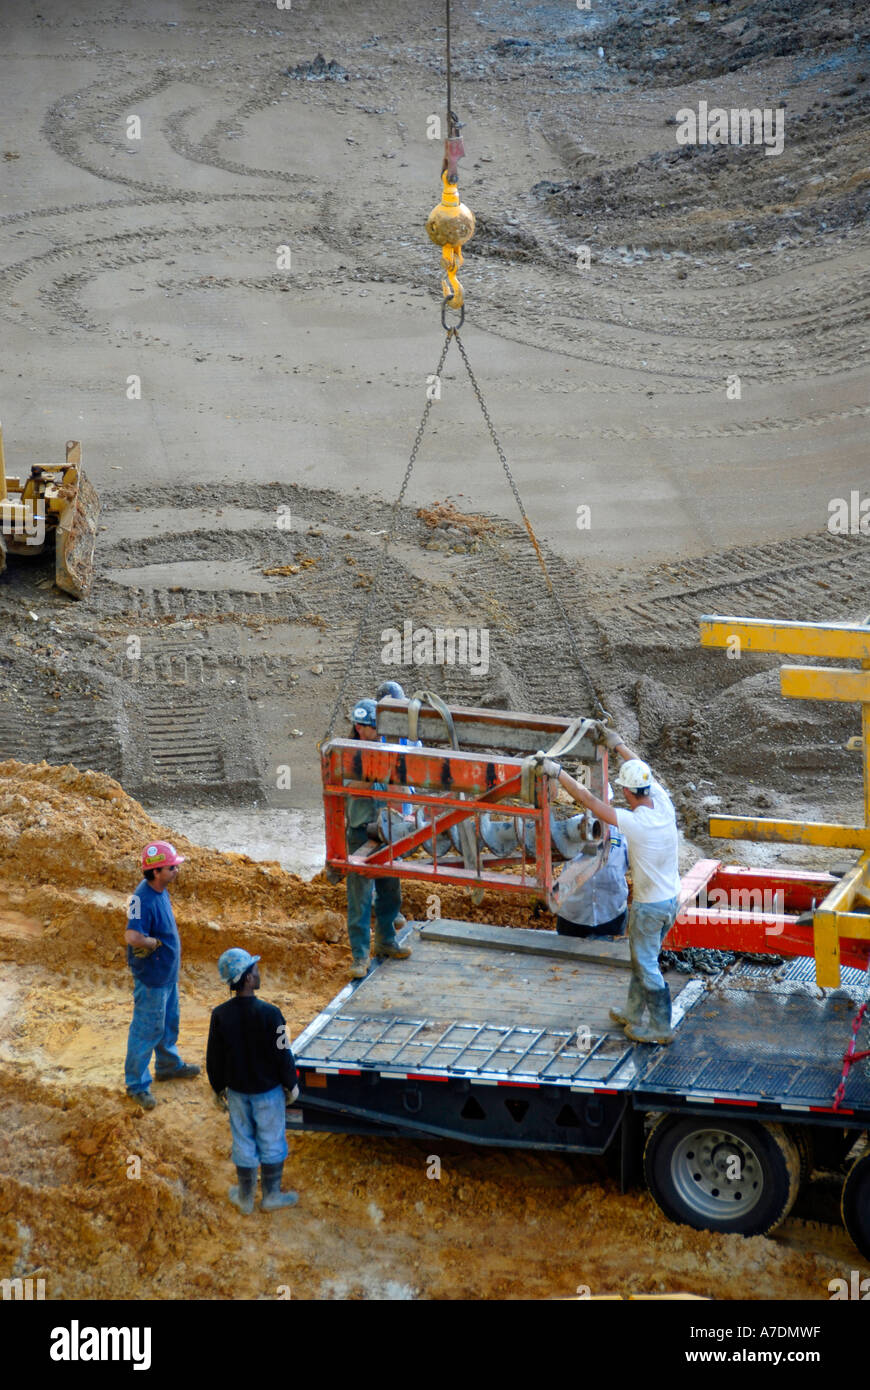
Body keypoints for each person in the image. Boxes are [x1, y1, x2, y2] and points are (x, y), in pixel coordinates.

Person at [536, 724, 680, 1044]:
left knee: (645, 962)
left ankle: (660, 1027)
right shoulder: (662, 802)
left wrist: (556, 772)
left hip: (650, 906)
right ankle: (632, 1013)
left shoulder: (634, 822)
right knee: (643, 958)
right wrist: (617, 744)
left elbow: (587, 799)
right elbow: (644, 769)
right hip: (671, 900)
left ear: (627, 793)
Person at [206, 948, 300, 1215]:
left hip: (237, 1093)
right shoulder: (272, 1014)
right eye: (254, 970)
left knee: (243, 1140)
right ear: (246, 979)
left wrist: (217, 1087)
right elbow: (284, 1052)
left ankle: (245, 1197)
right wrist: (291, 1083)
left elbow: (214, 1056)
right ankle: (271, 1196)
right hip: (268, 1094)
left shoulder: (220, 1015)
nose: (258, 973)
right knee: (271, 1139)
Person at [124, 840, 201, 1110]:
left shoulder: (160, 890)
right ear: (156, 871)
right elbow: (132, 935)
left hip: (166, 975)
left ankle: (168, 1066)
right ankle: (136, 1084)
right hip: (152, 978)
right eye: (172, 867)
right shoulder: (139, 899)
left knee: (169, 1024)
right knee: (147, 1029)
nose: (176, 870)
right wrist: (151, 943)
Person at [344, 697, 411, 979]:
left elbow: (401, 791)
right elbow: (351, 787)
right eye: (364, 726)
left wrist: (395, 772)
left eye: (372, 727)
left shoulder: (388, 749)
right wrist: (373, 773)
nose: (366, 731)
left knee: (389, 889)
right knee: (360, 897)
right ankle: (360, 956)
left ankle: (385, 942)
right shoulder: (348, 754)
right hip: (361, 832)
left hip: (385, 830)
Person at [550, 786, 629, 940]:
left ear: (610, 802)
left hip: (611, 915)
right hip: (573, 916)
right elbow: (552, 858)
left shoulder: (623, 832)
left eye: (603, 802)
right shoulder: (573, 828)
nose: (597, 808)